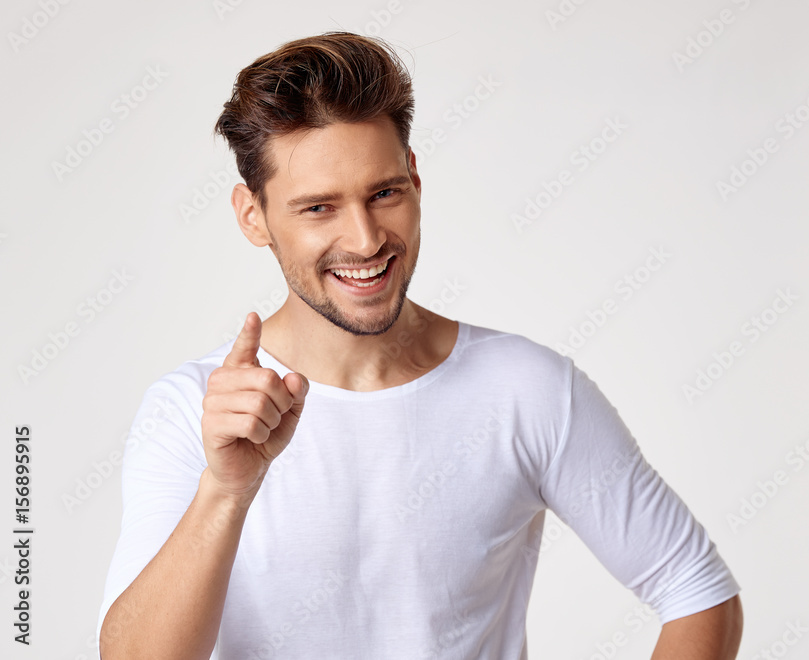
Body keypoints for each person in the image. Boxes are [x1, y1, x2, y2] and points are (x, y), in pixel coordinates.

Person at [97, 31, 743, 659]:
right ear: (253, 216)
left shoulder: (527, 390)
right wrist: (225, 491)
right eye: (319, 208)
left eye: (383, 193)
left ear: (414, 179)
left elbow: (698, 591)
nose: (365, 239)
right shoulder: (194, 411)